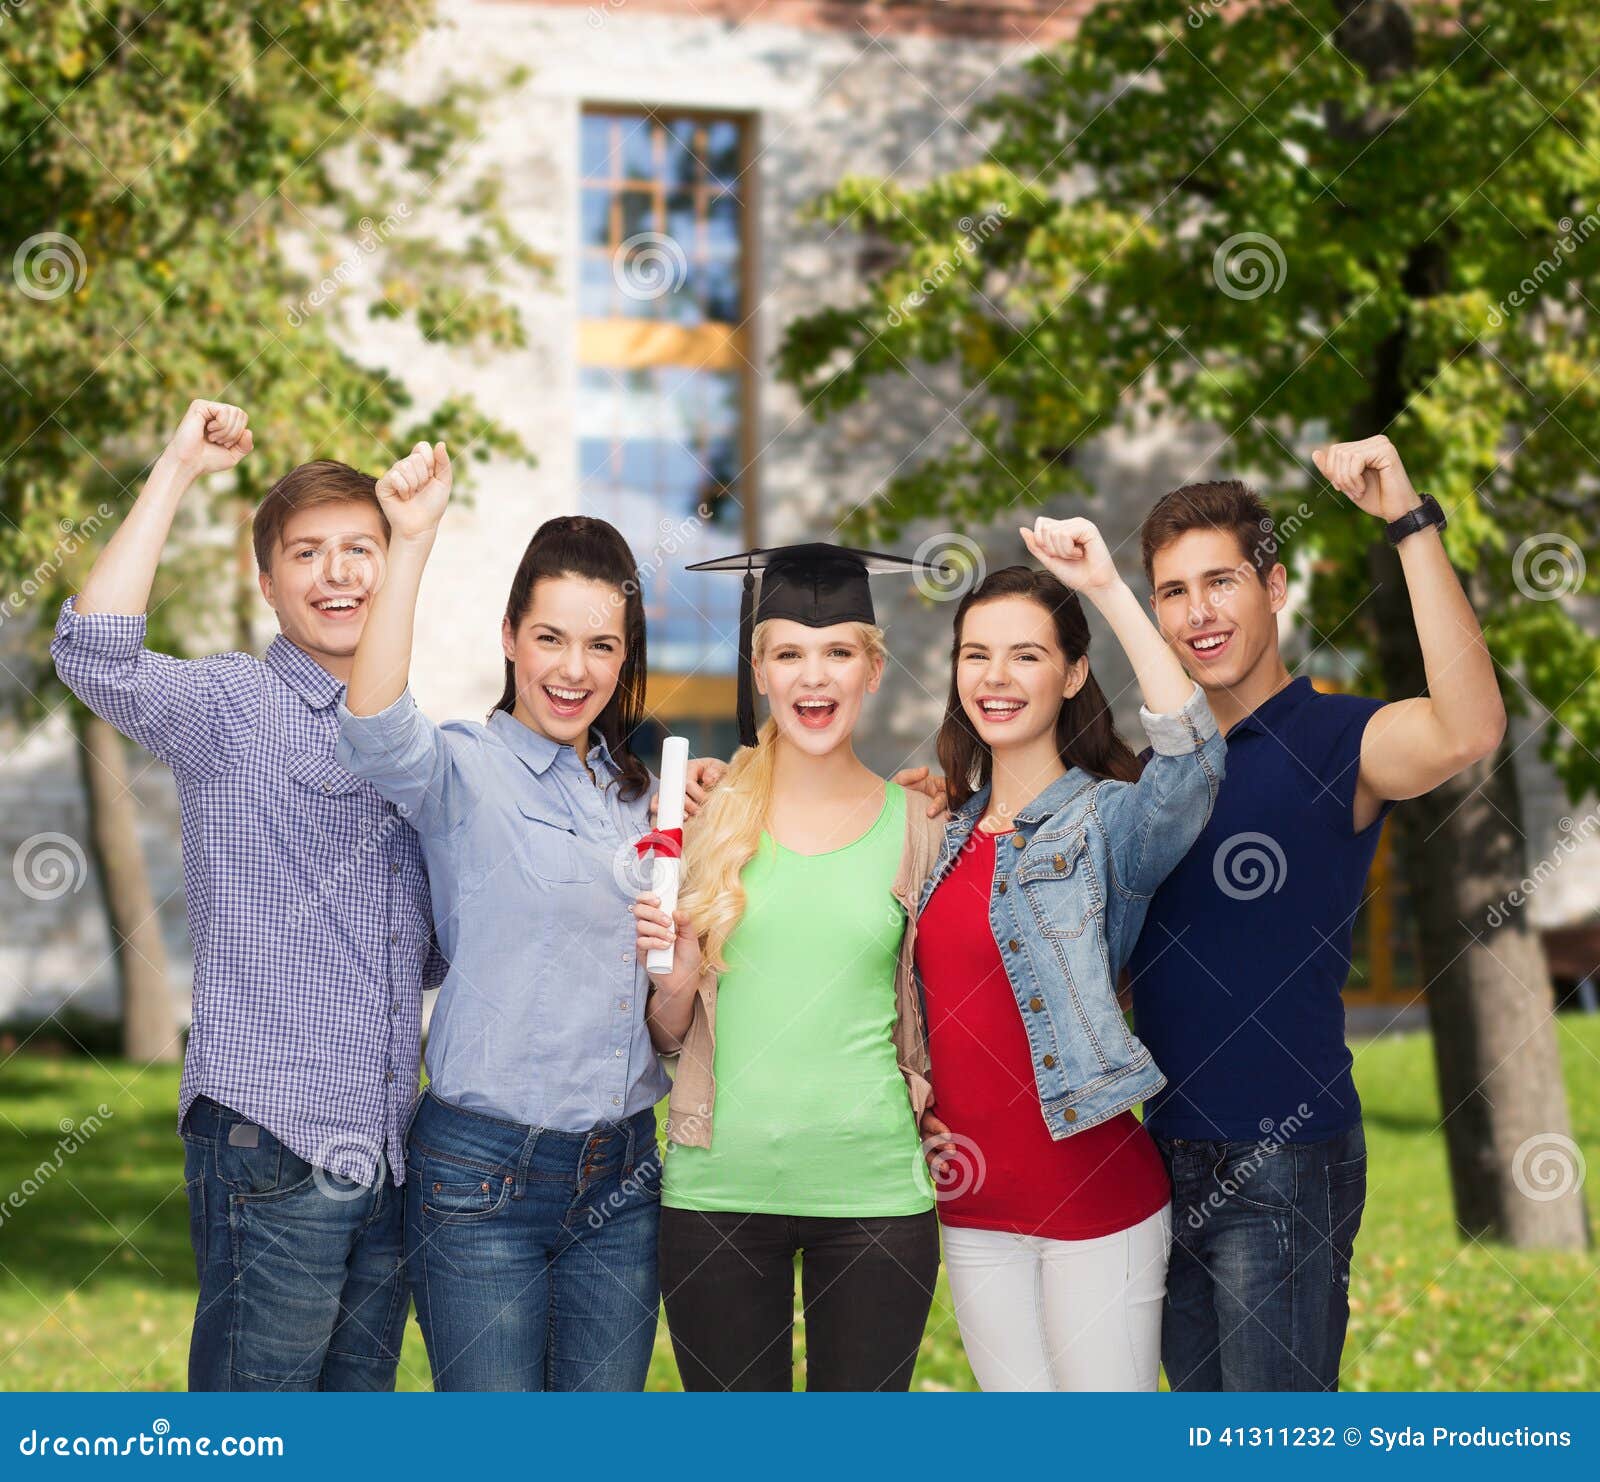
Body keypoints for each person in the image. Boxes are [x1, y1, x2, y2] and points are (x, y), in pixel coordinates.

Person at [51, 400, 436, 1391]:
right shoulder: (230, 706)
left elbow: (433, 948)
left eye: (361, 548)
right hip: (273, 1140)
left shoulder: (413, 745)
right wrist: (179, 466)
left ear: (392, 569)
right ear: (265, 582)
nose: (339, 572)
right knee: (249, 1438)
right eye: (307, 554)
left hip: (386, 1154)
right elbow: (93, 656)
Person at [335, 440, 716, 1391]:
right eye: (551, 637)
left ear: (627, 657)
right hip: (478, 1180)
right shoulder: (461, 769)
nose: (574, 669)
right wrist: (411, 540)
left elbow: (664, 1022)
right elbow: (374, 723)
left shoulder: (650, 804)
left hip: (624, 1176)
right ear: (511, 636)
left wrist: (678, 974)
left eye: (601, 645)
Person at [1128, 436, 1506, 1391]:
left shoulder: (1340, 739)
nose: (1198, 612)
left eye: (1221, 582)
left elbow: (1469, 728)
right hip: (1154, 1163)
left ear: (1275, 586)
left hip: (1284, 1163)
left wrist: (1409, 524)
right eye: (1173, 592)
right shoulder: (1147, 768)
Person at [915, 518, 1225, 1391]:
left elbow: (1195, 759)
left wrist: (1105, 588)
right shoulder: (937, 834)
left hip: (1093, 1199)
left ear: (1073, 672)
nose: (996, 678)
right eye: (976, 655)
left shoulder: (1108, 823)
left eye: (1026, 655)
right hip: (969, 1206)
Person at [631, 543, 947, 1392]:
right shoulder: (697, 820)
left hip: (875, 1196)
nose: (816, 678)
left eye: (840, 651)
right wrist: (675, 979)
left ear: (873, 671)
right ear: (761, 672)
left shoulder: (922, 824)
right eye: (790, 654)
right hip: (717, 1192)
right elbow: (666, 1032)